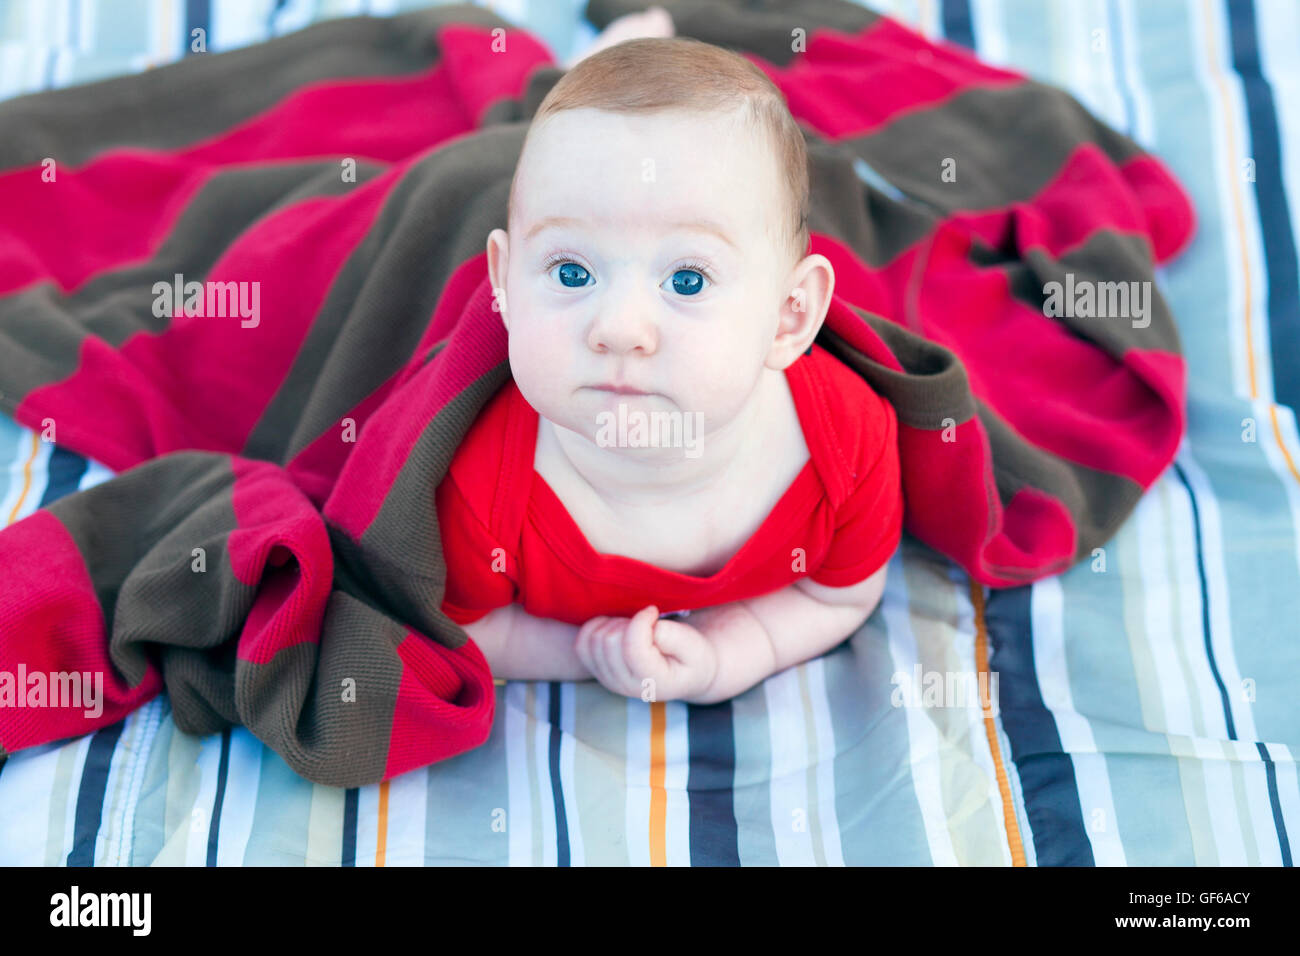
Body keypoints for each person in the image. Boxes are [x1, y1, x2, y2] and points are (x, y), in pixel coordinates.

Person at [435, 34, 903, 705]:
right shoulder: (479, 490)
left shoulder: (849, 446)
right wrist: (582, 653)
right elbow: (463, 628)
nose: (620, 328)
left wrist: (733, 652)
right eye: (571, 272)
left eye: (687, 280)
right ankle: (591, 61)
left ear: (789, 318)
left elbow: (840, 593)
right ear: (504, 284)